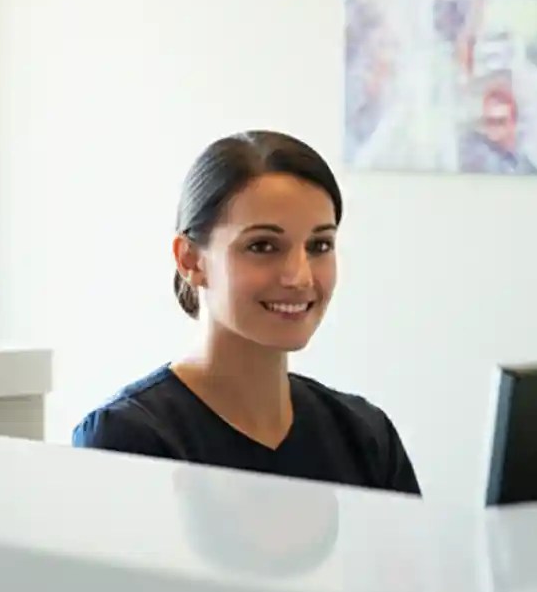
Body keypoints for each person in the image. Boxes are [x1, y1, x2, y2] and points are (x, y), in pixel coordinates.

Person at [73, 130, 421, 496]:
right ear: (190, 259)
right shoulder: (126, 440)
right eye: (263, 246)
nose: (299, 277)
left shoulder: (365, 435)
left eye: (319, 245)